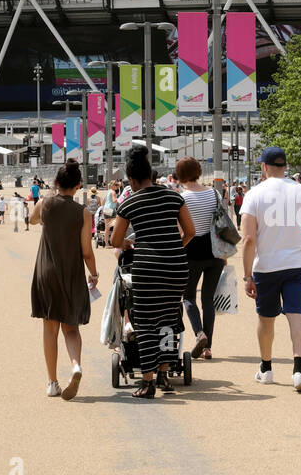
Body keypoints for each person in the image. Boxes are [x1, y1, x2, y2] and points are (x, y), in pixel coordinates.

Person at [110, 147, 194, 397]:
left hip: (147, 268)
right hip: (177, 266)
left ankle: (146, 382)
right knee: (169, 319)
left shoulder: (130, 203)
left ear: (132, 180)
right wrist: (173, 248)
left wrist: (129, 244)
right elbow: (190, 231)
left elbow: (115, 240)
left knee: (145, 323)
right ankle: (164, 376)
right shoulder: (174, 196)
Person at [240, 146, 301, 392]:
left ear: (264, 167)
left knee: (266, 319)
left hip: (266, 265)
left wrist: (247, 276)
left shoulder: (254, 195)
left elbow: (248, 240)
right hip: (297, 263)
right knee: (296, 314)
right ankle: (298, 370)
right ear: (285, 166)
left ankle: (266, 368)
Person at [29, 161, 99, 400]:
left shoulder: (44, 204)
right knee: (71, 327)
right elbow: (86, 250)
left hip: (45, 272)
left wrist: (44, 216)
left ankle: (52, 382)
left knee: (50, 328)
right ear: (79, 185)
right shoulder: (83, 213)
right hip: (71, 273)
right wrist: (94, 273)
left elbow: (31, 219)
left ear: (57, 183)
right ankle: (76, 366)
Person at [177, 157, 226, 360]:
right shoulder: (214, 194)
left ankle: (199, 333)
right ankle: (208, 348)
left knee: (188, 296)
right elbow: (222, 222)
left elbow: (181, 229)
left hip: (191, 252)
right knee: (208, 299)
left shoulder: (182, 197)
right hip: (214, 251)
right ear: (198, 171)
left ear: (180, 175)